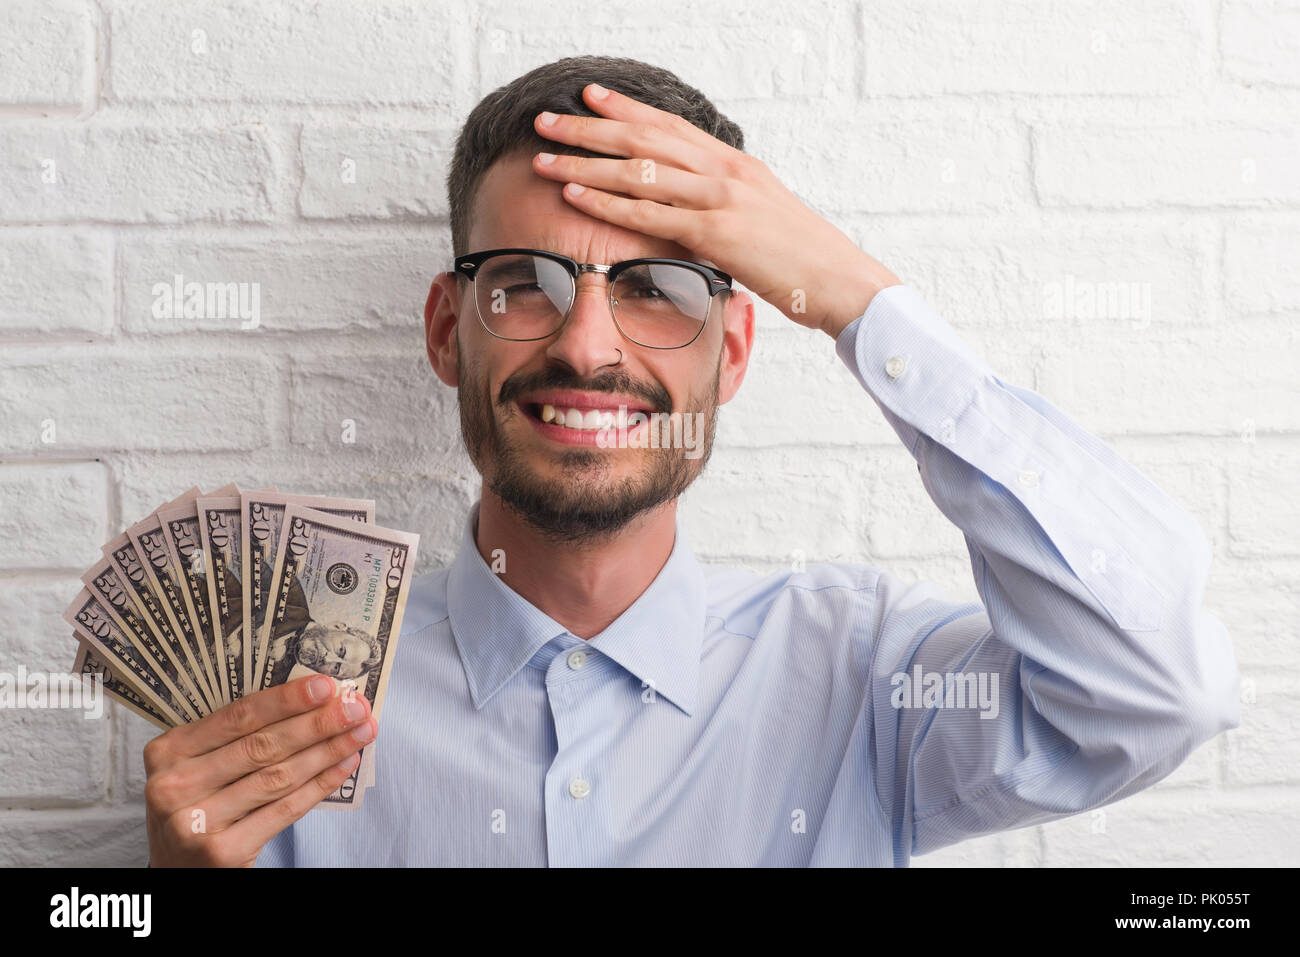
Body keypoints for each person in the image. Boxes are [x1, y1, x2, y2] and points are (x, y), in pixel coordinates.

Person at [143, 55, 1239, 868]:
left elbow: (1155, 694)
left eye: (657, 291)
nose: (586, 346)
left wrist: (852, 296)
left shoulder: (867, 681)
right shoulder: (276, 718)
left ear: (736, 348)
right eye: (525, 283)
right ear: (446, 330)